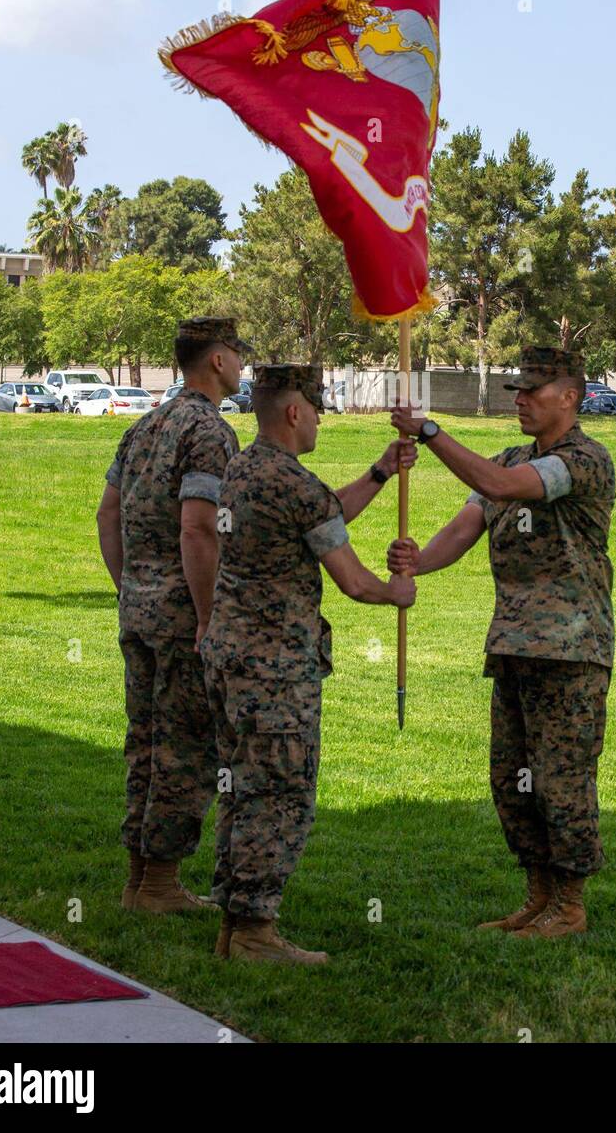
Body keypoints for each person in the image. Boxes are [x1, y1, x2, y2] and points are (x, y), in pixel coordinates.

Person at [388, 346, 616, 938]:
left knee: (561, 778)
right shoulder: (512, 455)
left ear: (569, 397)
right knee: (511, 778)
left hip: (570, 650)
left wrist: (431, 431)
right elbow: (466, 528)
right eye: (516, 390)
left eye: (532, 392)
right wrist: (418, 564)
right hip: (514, 644)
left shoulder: (584, 461)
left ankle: (569, 904)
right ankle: (538, 896)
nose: (519, 401)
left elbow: (499, 484)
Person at [202, 363, 417, 966]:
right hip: (274, 671)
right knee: (278, 794)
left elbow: (322, 515)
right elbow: (351, 581)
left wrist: (379, 472)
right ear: (295, 412)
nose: (321, 417)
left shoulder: (243, 469)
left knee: (242, 789)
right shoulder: (291, 483)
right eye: (318, 408)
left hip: (230, 659)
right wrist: (395, 591)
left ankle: (234, 922)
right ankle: (254, 933)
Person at [96, 316, 252, 913]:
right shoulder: (208, 431)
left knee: (145, 741)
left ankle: (141, 878)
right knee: (185, 748)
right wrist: (208, 616)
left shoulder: (145, 426)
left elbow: (108, 515)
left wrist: (130, 585)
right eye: (236, 354)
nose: (241, 365)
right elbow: (199, 524)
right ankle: (159, 884)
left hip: (138, 612)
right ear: (217, 359)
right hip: (183, 617)